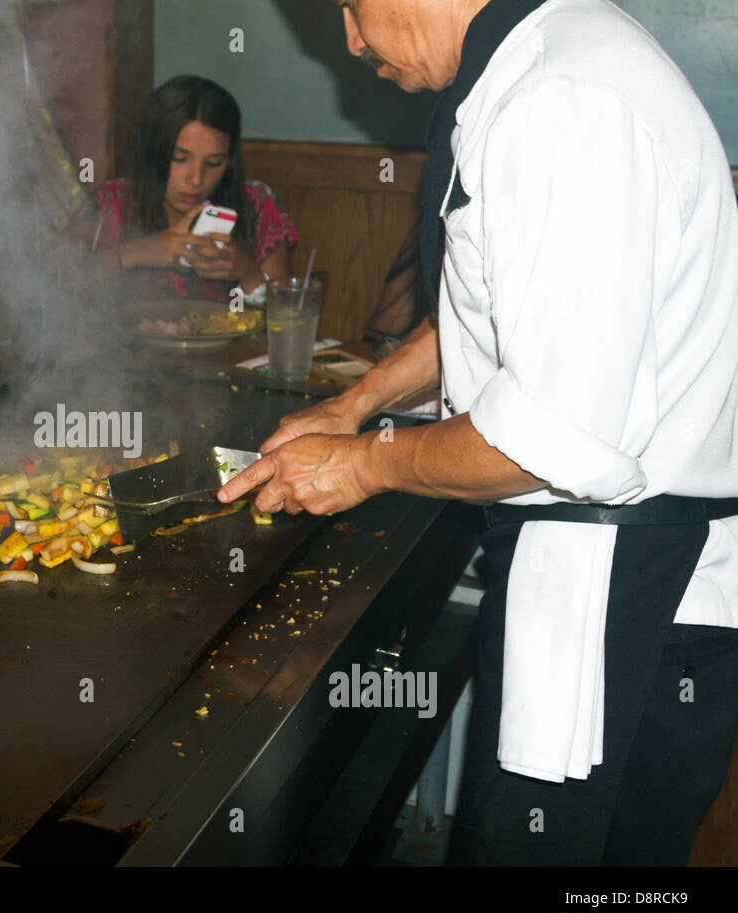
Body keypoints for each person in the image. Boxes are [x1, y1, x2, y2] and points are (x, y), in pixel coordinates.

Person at [220, 0, 738, 865]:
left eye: (350, 6)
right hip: (606, 581)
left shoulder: (563, 97)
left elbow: (550, 433)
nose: (349, 41)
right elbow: (506, 314)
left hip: (624, 596)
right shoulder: (551, 59)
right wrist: (356, 404)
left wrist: (365, 465)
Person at [75, 75, 298, 301]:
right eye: (179, 158)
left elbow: (286, 319)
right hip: (124, 337)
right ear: (151, 153)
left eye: (214, 163)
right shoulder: (111, 203)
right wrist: (134, 253)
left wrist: (248, 273)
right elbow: (51, 286)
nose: (196, 179)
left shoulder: (255, 205)